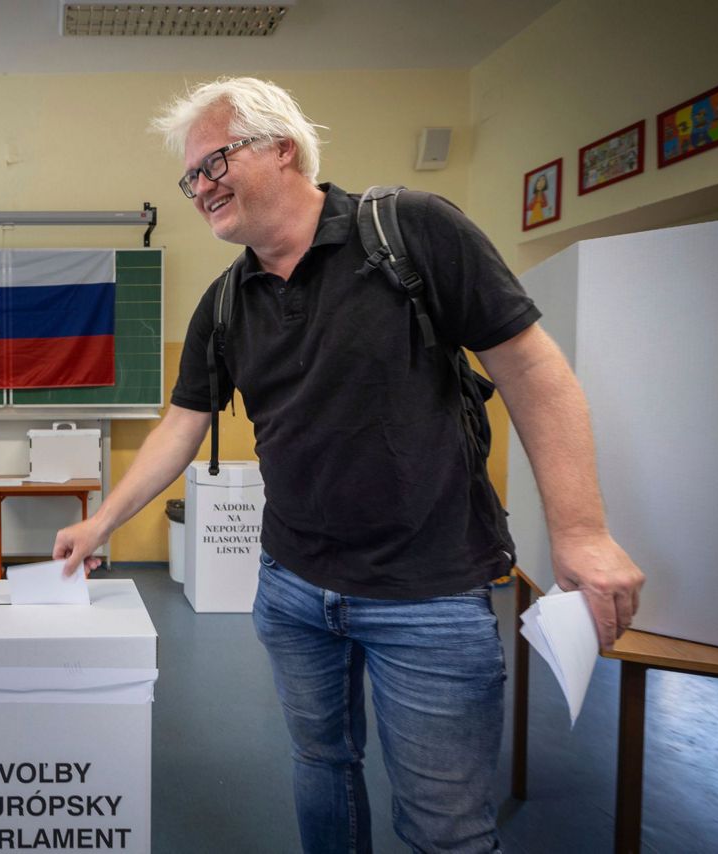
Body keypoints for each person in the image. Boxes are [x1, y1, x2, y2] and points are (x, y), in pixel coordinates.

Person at [53, 77, 645, 853]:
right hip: (293, 589)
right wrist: (103, 519)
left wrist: (583, 530)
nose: (201, 188)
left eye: (213, 163)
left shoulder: (410, 232)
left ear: (282, 148)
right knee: (321, 765)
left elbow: (533, 371)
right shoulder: (226, 302)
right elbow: (182, 424)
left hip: (427, 595)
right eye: (190, 176)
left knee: (446, 829)